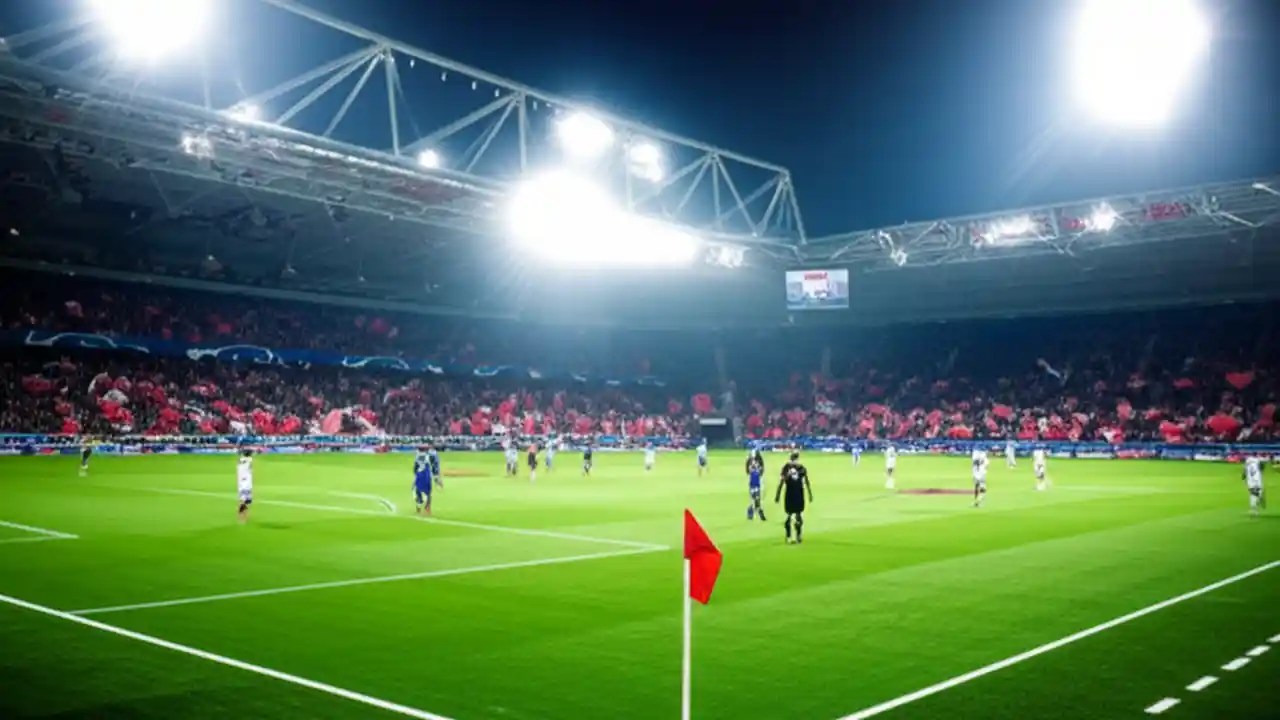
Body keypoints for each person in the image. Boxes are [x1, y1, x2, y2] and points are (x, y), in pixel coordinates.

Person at [774, 452, 812, 543]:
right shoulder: (797, 468)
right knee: (795, 515)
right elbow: (806, 481)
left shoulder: (791, 467)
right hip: (797, 493)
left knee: (792, 515)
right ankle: (794, 536)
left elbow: (781, 481)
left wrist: (778, 495)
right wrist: (810, 494)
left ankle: (792, 536)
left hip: (792, 493)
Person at [413, 446, 438, 515]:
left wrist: (415, 475)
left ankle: (418, 507)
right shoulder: (429, 456)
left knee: (418, 491)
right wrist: (435, 476)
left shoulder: (417, 457)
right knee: (428, 492)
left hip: (419, 475)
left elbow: (415, 468)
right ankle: (427, 507)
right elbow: (434, 465)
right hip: (426, 475)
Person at [746, 449, 767, 521]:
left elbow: (761, 471)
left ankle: (755, 512)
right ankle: (753, 511)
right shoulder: (750, 464)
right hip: (752, 483)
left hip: (758, 483)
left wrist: (757, 468)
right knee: (754, 498)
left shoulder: (759, 465)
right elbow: (748, 471)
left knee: (757, 498)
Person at [236, 448, 254, 523]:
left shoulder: (240, 461)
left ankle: (244, 518)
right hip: (246, 483)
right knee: (243, 501)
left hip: (241, 482)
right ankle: (241, 518)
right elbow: (250, 460)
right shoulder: (249, 460)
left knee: (246, 501)